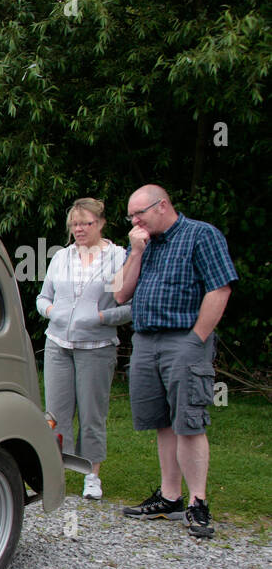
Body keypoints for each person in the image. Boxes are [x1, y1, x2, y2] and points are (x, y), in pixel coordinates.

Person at [111, 185, 236, 538]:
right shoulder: (142, 244)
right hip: (146, 340)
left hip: (184, 339)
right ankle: (170, 497)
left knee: (189, 422)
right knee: (162, 421)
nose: (134, 221)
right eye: (131, 216)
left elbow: (220, 288)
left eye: (139, 213)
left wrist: (197, 338)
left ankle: (198, 502)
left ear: (162, 205)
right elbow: (120, 293)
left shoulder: (201, 235)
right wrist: (135, 253)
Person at [37, 198, 132, 499]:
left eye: (85, 223)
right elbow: (42, 298)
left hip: (97, 346)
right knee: (55, 414)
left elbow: (129, 307)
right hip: (58, 344)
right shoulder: (61, 257)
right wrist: (52, 312)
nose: (79, 229)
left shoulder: (117, 258)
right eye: (74, 224)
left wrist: (102, 317)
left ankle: (92, 475)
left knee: (92, 414)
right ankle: (56, 473)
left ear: (101, 224)